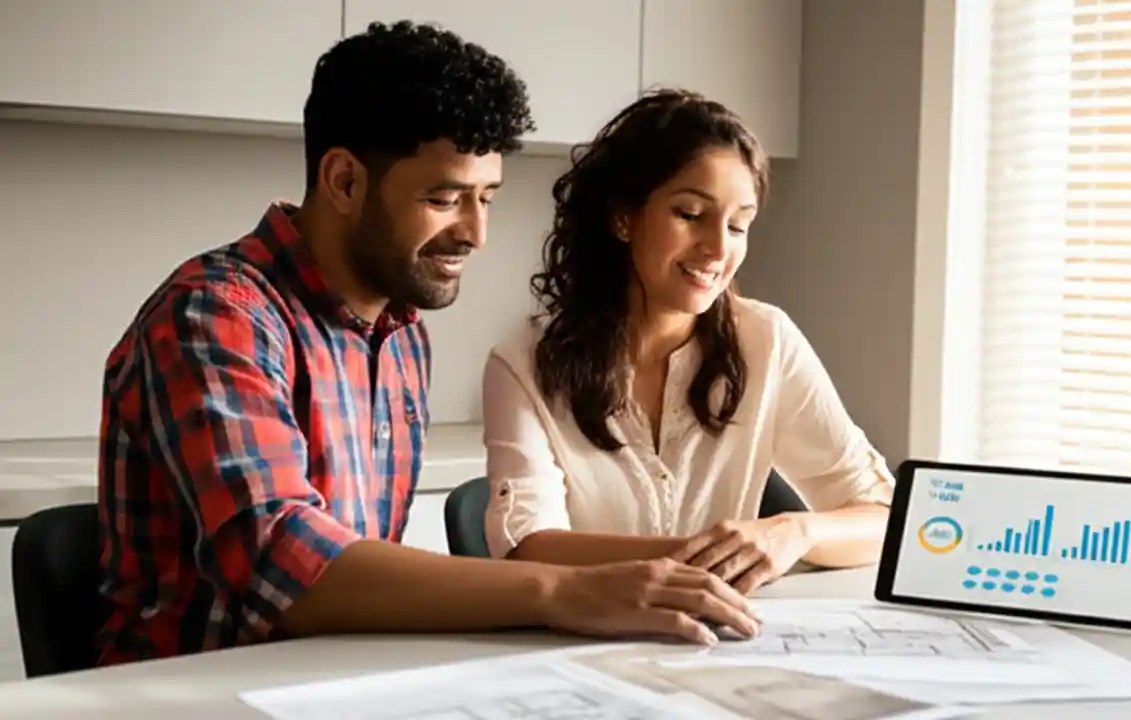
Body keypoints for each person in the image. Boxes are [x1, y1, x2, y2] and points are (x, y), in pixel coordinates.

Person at [95, 22, 760, 666]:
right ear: (345, 182)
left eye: (487, 199)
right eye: (445, 199)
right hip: (193, 694)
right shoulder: (216, 316)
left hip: (330, 686)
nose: (475, 233)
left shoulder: (402, 335)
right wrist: (566, 590)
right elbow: (284, 561)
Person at [482, 89, 896, 595]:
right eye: (690, 214)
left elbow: (882, 517)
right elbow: (527, 546)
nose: (719, 248)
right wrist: (714, 556)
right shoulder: (523, 362)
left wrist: (793, 530)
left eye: (739, 224)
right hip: (578, 649)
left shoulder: (767, 340)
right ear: (624, 217)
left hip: (721, 645)